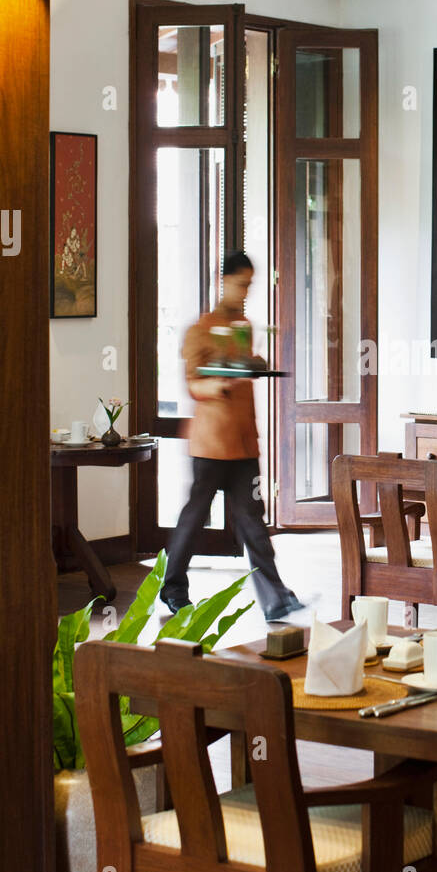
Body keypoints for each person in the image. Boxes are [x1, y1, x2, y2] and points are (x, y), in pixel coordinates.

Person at [161, 250, 303, 622]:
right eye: (242, 284)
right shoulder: (200, 330)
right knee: (195, 517)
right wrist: (217, 386)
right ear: (223, 281)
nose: (245, 292)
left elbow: (244, 365)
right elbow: (193, 382)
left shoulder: (243, 325)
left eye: (249, 285)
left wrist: (255, 366)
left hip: (242, 442)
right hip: (210, 443)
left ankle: (276, 597)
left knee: (254, 519)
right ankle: (173, 588)